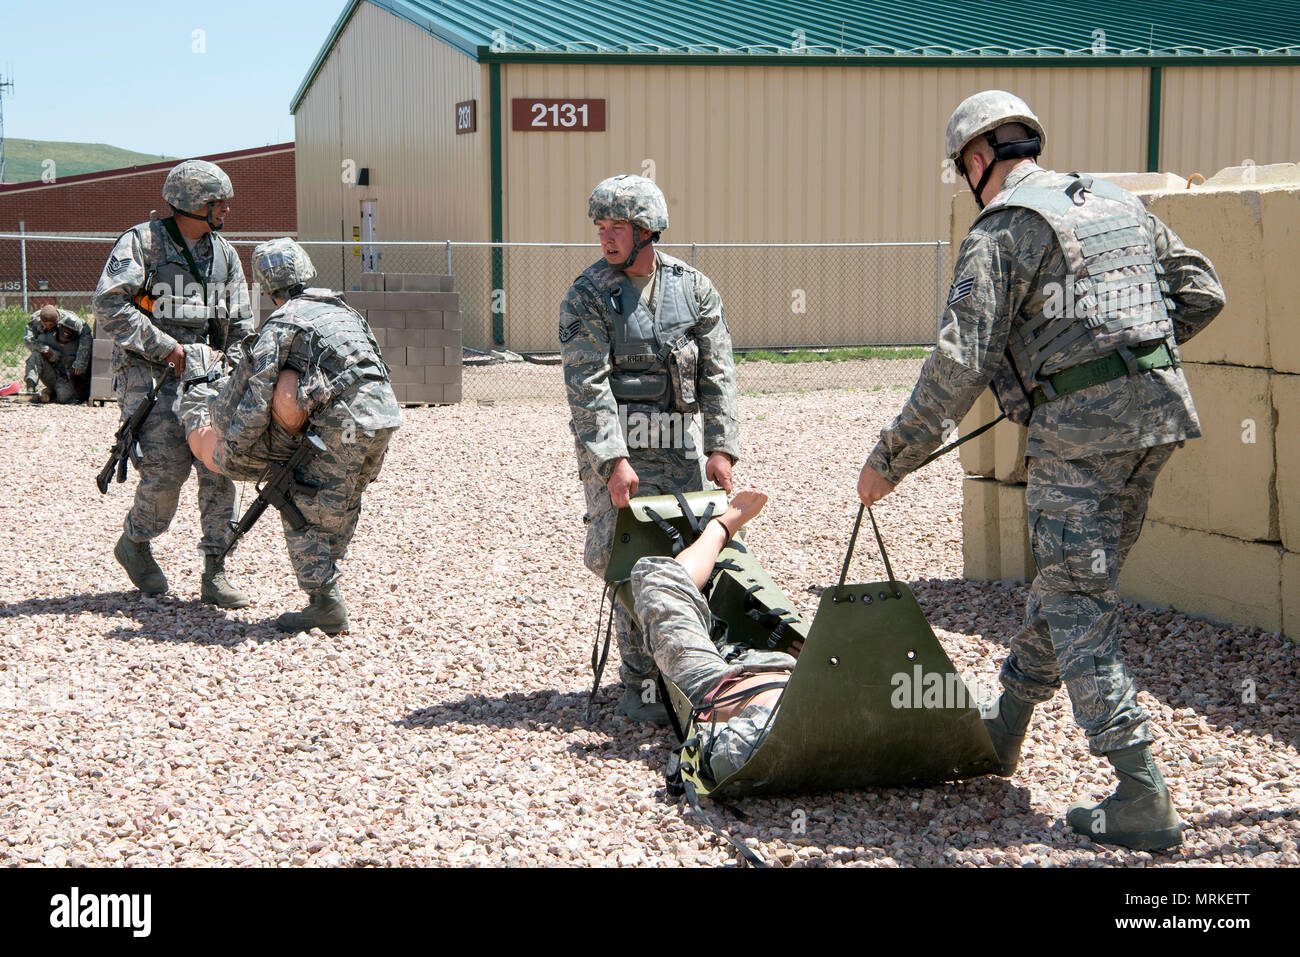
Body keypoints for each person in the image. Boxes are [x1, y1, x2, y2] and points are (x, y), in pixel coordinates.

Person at [855, 91, 1226, 851]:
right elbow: (1200, 291)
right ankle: (1008, 725)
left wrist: (889, 460)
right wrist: (1117, 357)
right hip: (1156, 417)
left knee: (1078, 601)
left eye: (965, 166)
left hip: (1078, 436)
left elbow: (960, 362)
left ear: (978, 159)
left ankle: (1139, 790)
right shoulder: (1116, 202)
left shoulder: (1002, 230)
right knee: (1067, 583)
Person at [560, 173, 740, 725]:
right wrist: (613, 461)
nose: (606, 238)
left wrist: (720, 447)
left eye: (617, 228)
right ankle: (639, 682)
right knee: (619, 559)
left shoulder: (695, 289)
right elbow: (586, 384)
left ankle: (682, 671)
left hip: (678, 450)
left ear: (648, 231)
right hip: (620, 454)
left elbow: (719, 373)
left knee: (681, 558)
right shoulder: (588, 294)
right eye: (601, 228)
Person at [177, 238, 400, 635]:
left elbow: (255, 394)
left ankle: (324, 604)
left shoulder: (283, 323)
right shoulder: (343, 310)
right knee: (342, 496)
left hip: (341, 420)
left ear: (266, 287)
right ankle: (327, 588)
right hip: (382, 417)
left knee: (298, 497)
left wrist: (234, 450)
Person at [92, 159, 253, 607]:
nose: (225, 210)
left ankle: (215, 568)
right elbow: (110, 305)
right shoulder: (142, 243)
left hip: (209, 376)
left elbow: (241, 322)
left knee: (219, 468)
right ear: (189, 203)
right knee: (165, 472)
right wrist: (167, 349)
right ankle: (136, 541)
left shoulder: (225, 254)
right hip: (152, 376)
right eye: (216, 202)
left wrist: (235, 373)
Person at [629, 490, 794, 782]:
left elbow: (722, 757)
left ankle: (719, 529)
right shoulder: (857, 709)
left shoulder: (767, 739)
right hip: (789, 668)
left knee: (658, 580)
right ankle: (717, 534)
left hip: (716, 684)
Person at [23, 305, 90, 404]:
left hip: (69, 373)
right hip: (51, 369)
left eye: (51, 325)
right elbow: (28, 340)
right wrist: (46, 350)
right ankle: (31, 390)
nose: (46, 328)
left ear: (58, 321)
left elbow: (87, 338)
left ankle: (48, 394)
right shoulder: (35, 320)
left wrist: (80, 362)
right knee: (36, 355)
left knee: (65, 397)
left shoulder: (72, 323)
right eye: (44, 325)